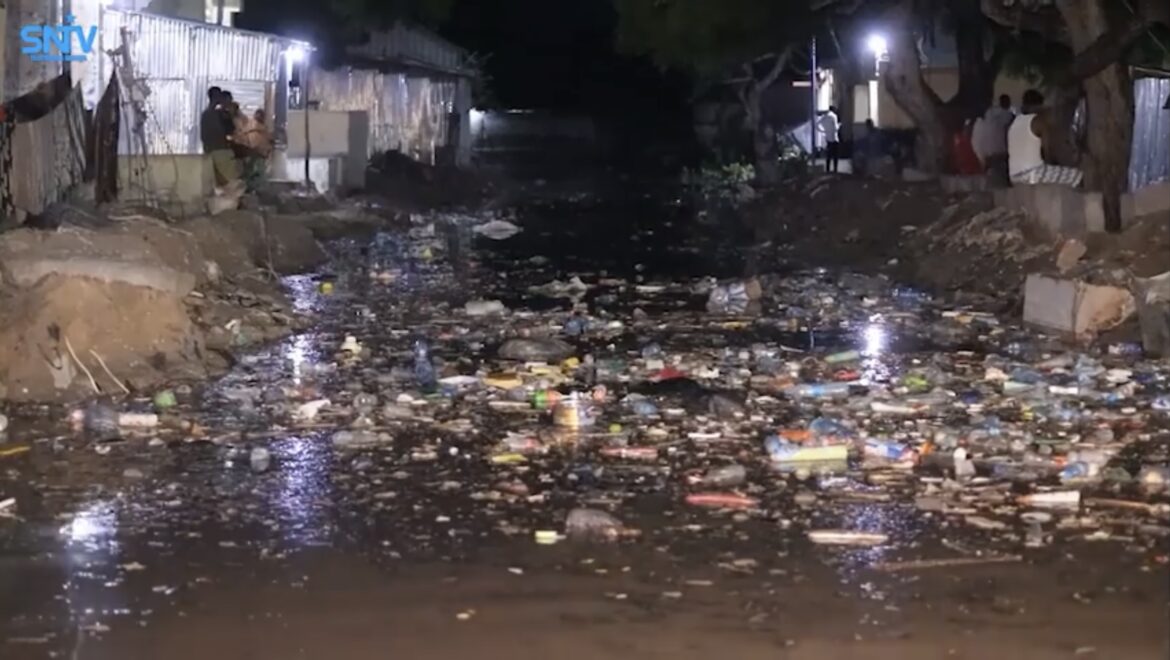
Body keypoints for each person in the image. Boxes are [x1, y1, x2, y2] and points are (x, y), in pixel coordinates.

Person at [1008, 89, 1082, 187]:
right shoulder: (1038, 122)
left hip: (1014, 176)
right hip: (1033, 174)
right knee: (1078, 176)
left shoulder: (1013, 123)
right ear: (1039, 105)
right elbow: (1047, 152)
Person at [200, 87, 241, 189]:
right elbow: (228, 131)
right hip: (220, 152)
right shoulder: (216, 114)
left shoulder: (206, 114)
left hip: (209, 151)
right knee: (232, 183)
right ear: (216, 97)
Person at [819, 105, 841, 173]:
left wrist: (822, 130)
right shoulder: (834, 116)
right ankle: (835, 169)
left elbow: (817, 124)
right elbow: (835, 128)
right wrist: (839, 125)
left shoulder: (824, 117)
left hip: (828, 137)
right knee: (835, 155)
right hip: (834, 138)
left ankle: (828, 169)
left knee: (829, 154)